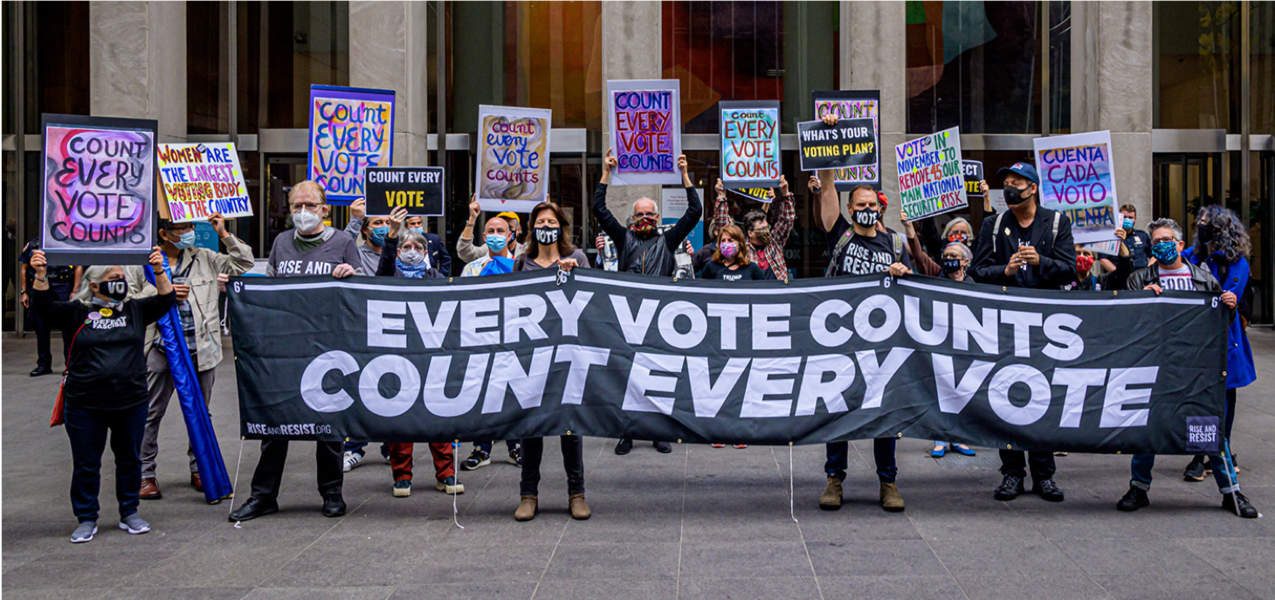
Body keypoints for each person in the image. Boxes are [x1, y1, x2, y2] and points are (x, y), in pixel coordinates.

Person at [230, 180, 360, 522]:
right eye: (295, 207)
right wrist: (239, 292)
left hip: (328, 348)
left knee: (328, 424)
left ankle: (331, 492)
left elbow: (360, 294)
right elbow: (269, 291)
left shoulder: (345, 243)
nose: (302, 212)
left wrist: (352, 274)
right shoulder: (281, 243)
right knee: (276, 423)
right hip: (285, 348)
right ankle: (263, 495)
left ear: (325, 209)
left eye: (309, 205)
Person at [30, 246, 175, 543]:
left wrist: (159, 269)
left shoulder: (135, 309)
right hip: (85, 404)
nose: (119, 281)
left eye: (121, 276)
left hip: (131, 401)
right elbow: (43, 308)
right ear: (94, 284)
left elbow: (166, 300)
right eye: (113, 277)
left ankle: (129, 512)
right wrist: (41, 275)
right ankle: (86, 518)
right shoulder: (77, 313)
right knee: (85, 463)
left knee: (129, 460)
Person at [1117, 217, 1256, 518]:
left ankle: (1231, 492)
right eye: (1156, 242)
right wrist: (1142, 300)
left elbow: (1219, 324)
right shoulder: (1139, 279)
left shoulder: (1204, 280)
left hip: (1196, 369)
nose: (1162, 245)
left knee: (1210, 428)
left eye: (1167, 240)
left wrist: (1229, 307)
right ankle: (1138, 488)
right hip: (1154, 367)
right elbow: (1127, 323)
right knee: (1148, 428)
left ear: (1180, 245)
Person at [814, 116, 912, 513]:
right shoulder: (840, 233)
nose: (867, 209)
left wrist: (900, 272)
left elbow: (909, 288)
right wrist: (829, 135)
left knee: (883, 414)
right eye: (860, 205)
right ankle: (834, 479)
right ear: (850, 209)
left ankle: (888, 483)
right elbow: (826, 184)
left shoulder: (894, 243)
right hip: (841, 341)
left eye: (872, 204)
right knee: (839, 412)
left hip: (881, 345)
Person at [970, 161, 1074, 503]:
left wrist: (1041, 262)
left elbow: (1070, 270)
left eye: (1017, 182)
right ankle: (1011, 472)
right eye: (1007, 183)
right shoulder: (994, 223)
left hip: (1046, 326)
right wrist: (1008, 269)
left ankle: (1044, 475)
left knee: (1041, 398)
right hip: (1005, 324)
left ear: (1032, 188)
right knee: (1005, 396)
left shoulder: (1057, 222)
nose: (1010, 188)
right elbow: (978, 271)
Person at [594, 149, 702, 455]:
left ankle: (658, 431)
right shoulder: (623, 237)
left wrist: (684, 177)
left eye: (649, 214)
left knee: (660, 374)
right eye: (639, 214)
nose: (644, 218)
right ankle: (626, 432)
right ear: (632, 218)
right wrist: (606, 172)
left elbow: (693, 212)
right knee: (627, 375)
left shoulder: (667, 239)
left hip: (659, 315)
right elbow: (599, 209)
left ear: (657, 217)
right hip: (629, 315)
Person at [138, 214, 254, 500]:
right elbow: (129, 301)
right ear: (164, 234)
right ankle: (144, 474)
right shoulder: (144, 262)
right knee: (150, 412)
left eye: (191, 227)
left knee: (201, 412)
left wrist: (224, 233)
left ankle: (200, 468)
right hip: (160, 349)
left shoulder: (204, 256)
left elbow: (243, 262)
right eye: (183, 228)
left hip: (200, 349)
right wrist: (162, 292)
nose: (190, 232)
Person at [373, 207, 463, 498]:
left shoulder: (437, 277)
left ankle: (447, 475)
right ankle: (402, 476)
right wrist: (392, 235)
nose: (412, 251)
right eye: (406, 247)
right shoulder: (391, 274)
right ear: (398, 252)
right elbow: (383, 268)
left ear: (427, 252)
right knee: (400, 416)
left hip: (431, 355)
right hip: (397, 355)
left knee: (439, 415)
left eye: (418, 247)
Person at [511, 200, 592, 522]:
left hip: (567, 357)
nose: (546, 228)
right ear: (532, 229)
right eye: (540, 223)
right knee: (532, 425)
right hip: (532, 357)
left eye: (551, 223)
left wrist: (575, 277)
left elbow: (592, 302)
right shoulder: (522, 263)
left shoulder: (578, 258)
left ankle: (577, 493)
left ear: (562, 227)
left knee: (570, 426)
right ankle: (528, 494)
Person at [1179, 205, 1258, 490]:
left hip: (1225, 343)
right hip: (1194, 342)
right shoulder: (1191, 254)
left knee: (1223, 399)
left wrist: (1228, 300)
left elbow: (1230, 297)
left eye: (1206, 223)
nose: (1201, 226)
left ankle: (1207, 454)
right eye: (1199, 222)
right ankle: (1206, 452)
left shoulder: (1236, 263)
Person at [458, 213, 523, 469]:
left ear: (510, 235)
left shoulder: (522, 265)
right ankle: (481, 449)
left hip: (515, 337)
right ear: (484, 237)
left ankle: (516, 446)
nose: (496, 234)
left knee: (514, 392)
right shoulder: (472, 269)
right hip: (482, 338)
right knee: (484, 392)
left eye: (501, 230)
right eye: (491, 231)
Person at [711, 176, 795, 282]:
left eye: (767, 228)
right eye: (761, 229)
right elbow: (724, 226)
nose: (766, 231)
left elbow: (786, 221)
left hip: (776, 293)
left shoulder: (774, 241)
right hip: (751, 295)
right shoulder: (741, 248)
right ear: (750, 233)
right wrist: (721, 195)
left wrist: (785, 193)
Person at [20, 239, 83, 376]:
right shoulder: (33, 245)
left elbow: (78, 267)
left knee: (68, 328)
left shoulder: (67, 241)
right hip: (38, 286)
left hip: (62, 285)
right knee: (40, 326)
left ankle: (70, 365)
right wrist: (23, 291)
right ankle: (43, 364)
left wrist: (75, 290)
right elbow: (24, 269)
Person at [456, 199, 525, 264]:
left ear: (518, 229)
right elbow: (465, 252)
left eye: (509, 227)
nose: (497, 234)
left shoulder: (524, 251)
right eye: (499, 229)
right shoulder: (488, 249)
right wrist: (472, 218)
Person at [699, 224, 767, 282]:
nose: (726, 243)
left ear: (740, 244)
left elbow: (764, 291)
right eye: (723, 240)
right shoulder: (711, 267)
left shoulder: (751, 268)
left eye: (730, 240)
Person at [1117, 204, 1151, 270]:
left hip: (1141, 276)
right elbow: (1104, 260)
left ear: (1135, 219)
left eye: (1130, 218)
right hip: (1119, 276)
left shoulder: (1143, 235)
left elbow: (1153, 256)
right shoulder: (1112, 237)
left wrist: (1148, 272)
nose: (1127, 220)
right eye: (1124, 217)